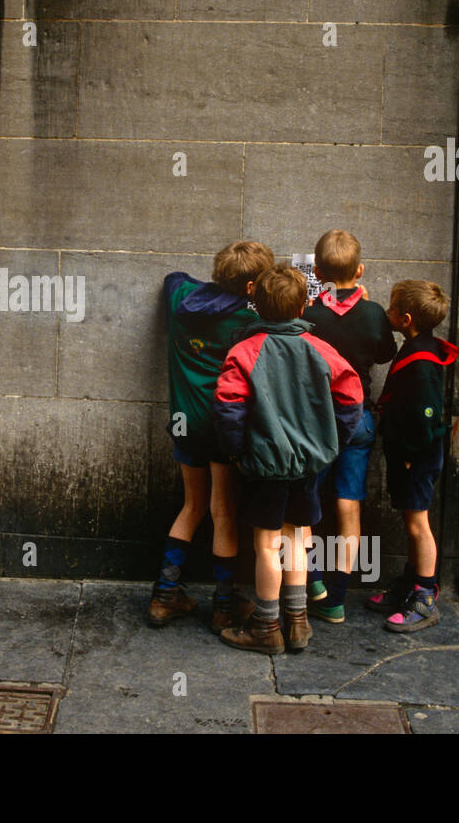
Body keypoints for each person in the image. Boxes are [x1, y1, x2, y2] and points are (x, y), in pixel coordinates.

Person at [213, 264, 363, 653]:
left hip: (264, 464)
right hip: (310, 464)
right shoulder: (322, 349)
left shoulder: (244, 351)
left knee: (266, 545)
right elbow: (351, 400)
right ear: (304, 305)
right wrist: (332, 443)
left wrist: (237, 451)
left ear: (255, 305)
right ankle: (298, 625)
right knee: (297, 539)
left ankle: (266, 627)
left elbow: (228, 409)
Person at [150, 241, 275, 631]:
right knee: (223, 512)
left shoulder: (181, 299)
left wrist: (212, 290)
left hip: (184, 421)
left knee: (192, 506)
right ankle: (223, 605)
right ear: (253, 286)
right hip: (221, 425)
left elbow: (173, 278)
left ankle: (163, 597)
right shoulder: (247, 322)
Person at [302, 230, 396, 623]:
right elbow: (386, 352)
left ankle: (313, 580)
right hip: (358, 417)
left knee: (304, 504)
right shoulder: (373, 313)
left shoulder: (310, 315)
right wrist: (371, 310)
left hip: (317, 421)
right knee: (348, 506)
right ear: (360, 270)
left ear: (318, 271)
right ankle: (337, 600)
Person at [365, 279, 458, 632]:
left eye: (390, 308)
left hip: (415, 456)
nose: (385, 313)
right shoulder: (417, 346)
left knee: (419, 525)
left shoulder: (421, 359)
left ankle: (424, 596)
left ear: (405, 319)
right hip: (409, 454)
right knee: (411, 521)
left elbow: (425, 415)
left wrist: (409, 454)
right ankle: (409, 583)